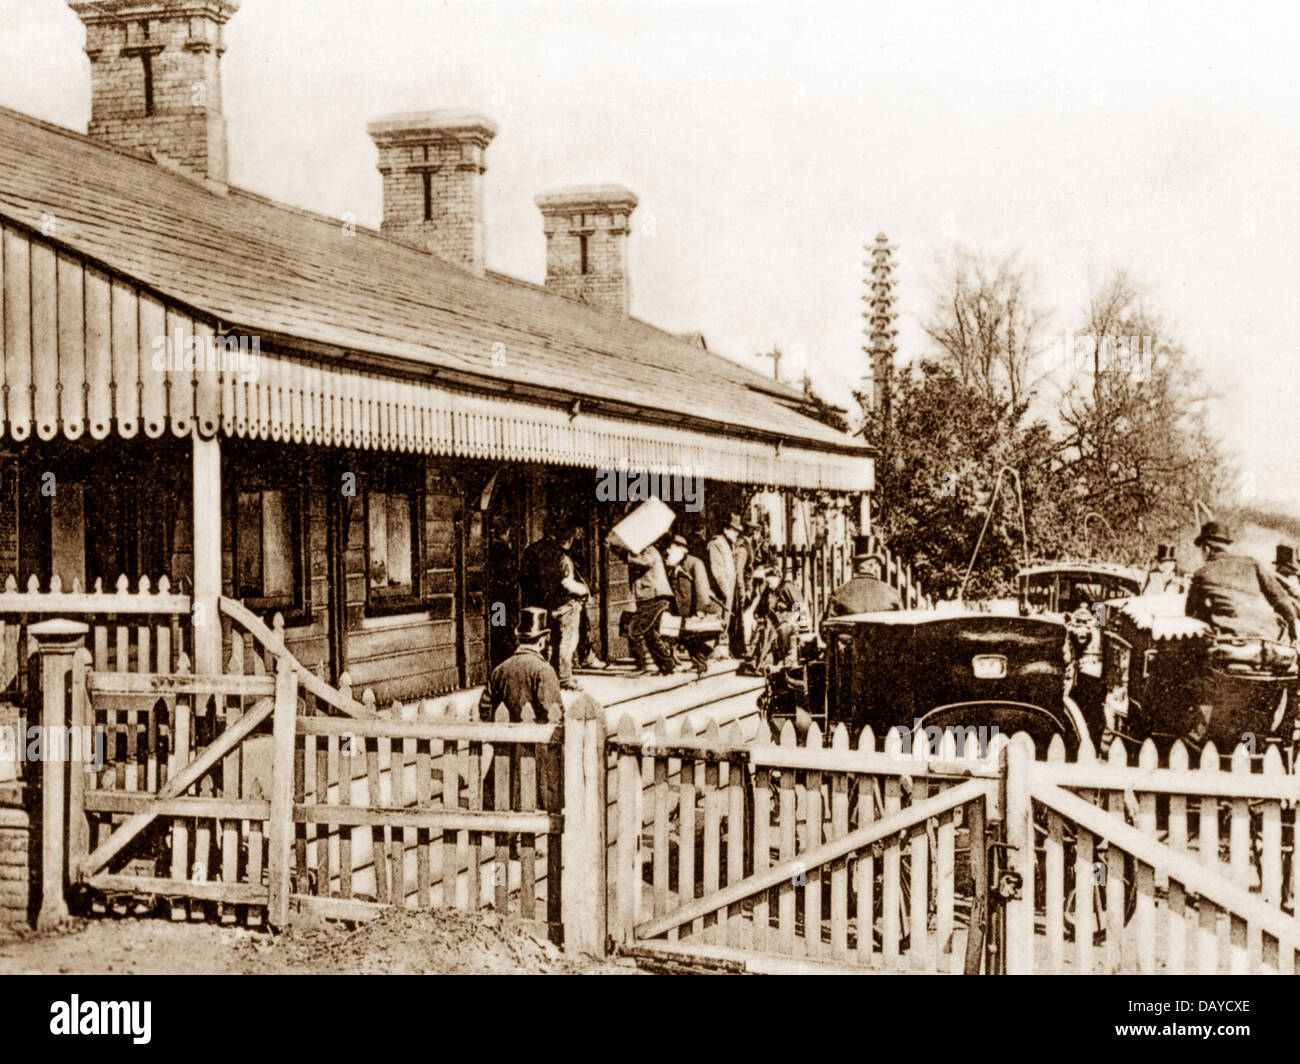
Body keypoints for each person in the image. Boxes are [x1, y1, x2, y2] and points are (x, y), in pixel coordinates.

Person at [1185, 521, 1297, 640]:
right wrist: (1293, 632)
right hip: (1266, 638)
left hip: (1228, 640)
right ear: (1227, 546)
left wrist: (1216, 621)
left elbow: (1192, 612)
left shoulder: (1201, 574)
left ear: (1206, 549)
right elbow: (1282, 600)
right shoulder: (1252, 564)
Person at [520, 516, 589, 690]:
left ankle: (542, 676)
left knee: (543, 641)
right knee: (566, 642)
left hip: (541, 605)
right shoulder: (561, 555)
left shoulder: (531, 550)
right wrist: (583, 590)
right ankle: (564, 678)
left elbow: (524, 578)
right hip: (565, 604)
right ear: (568, 538)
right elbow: (566, 582)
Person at [478, 606, 563, 722]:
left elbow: (485, 710)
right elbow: (555, 712)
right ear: (542, 640)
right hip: (536, 737)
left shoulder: (499, 670)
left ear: (519, 638)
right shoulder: (544, 670)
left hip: (503, 737)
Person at [666, 533, 724, 676]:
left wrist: (700, 610)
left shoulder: (694, 563)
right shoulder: (672, 565)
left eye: (672, 548)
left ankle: (701, 665)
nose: (668, 551)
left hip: (694, 608)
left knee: (694, 638)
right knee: (686, 638)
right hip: (681, 608)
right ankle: (697, 664)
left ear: (683, 550)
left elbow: (702, 587)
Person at [744, 564, 810, 674]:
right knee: (764, 631)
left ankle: (771, 663)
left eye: (770, 582)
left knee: (780, 631)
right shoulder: (770, 590)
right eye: (767, 583)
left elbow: (798, 605)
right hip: (775, 623)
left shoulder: (786, 587)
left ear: (777, 577)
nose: (769, 585)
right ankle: (759, 663)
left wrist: (802, 625)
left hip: (788, 622)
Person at [625, 537, 677, 675]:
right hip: (648, 597)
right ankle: (667, 665)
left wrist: (624, 553)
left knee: (638, 629)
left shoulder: (650, 551)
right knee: (650, 633)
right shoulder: (642, 551)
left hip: (654, 596)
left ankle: (653, 664)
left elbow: (643, 562)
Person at [824, 538, 904, 619]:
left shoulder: (839, 593)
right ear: (875, 566)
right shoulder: (892, 594)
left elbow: (828, 625)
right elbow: (902, 627)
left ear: (855, 567)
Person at [706, 514, 741, 652]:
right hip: (719, 592)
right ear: (726, 529)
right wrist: (726, 590)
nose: (737, 534)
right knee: (716, 620)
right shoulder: (716, 543)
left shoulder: (728, 544)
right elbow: (717, 570)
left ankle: (719, 650)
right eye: (735, 530)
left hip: (728, 590)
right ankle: (711, 652)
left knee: (724, 620)